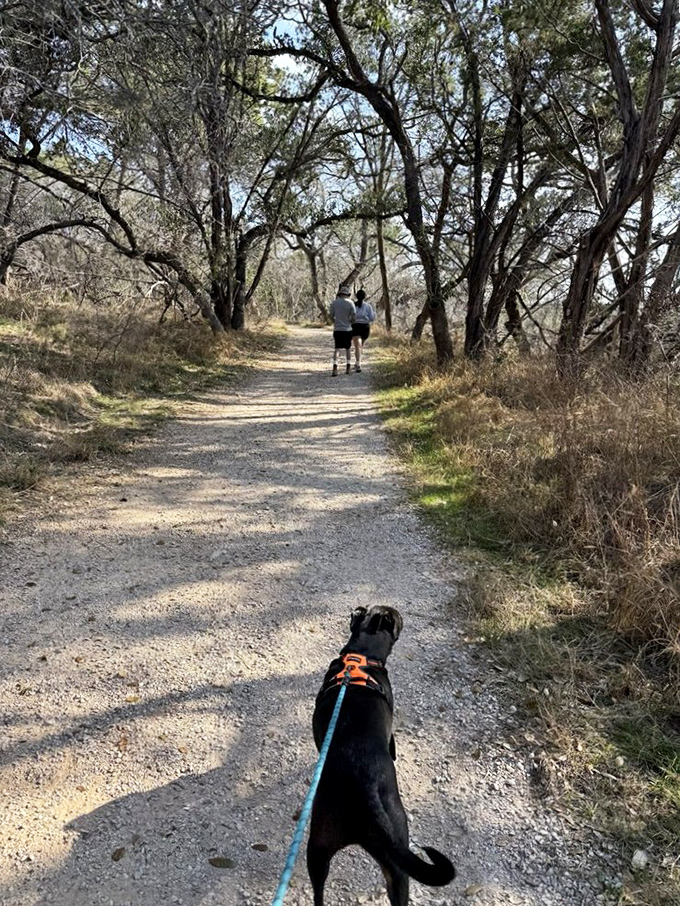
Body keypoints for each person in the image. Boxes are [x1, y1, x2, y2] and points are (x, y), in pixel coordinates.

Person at [329, 283, 356, 376]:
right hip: (348, 329)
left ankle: (335, 368)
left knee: (337, 348)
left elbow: (331, 315)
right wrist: (350, 322)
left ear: (340, 294)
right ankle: (348, 367)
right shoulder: (351, 303)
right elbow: (353, 316)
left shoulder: (334, 303)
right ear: (347, 294)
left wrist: (335, 322)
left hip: (337, 329)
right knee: (348, 348)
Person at [351, 288, 376, 372]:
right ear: (364, 297)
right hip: (364, 327)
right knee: (359, 346)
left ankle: (357, 362)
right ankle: (358, 363)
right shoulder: (368, 306)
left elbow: (349, 316)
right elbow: (372, 318)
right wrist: (365, 318)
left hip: (355, 327)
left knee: (358, 346)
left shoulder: (353, 305)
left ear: (356, 296)